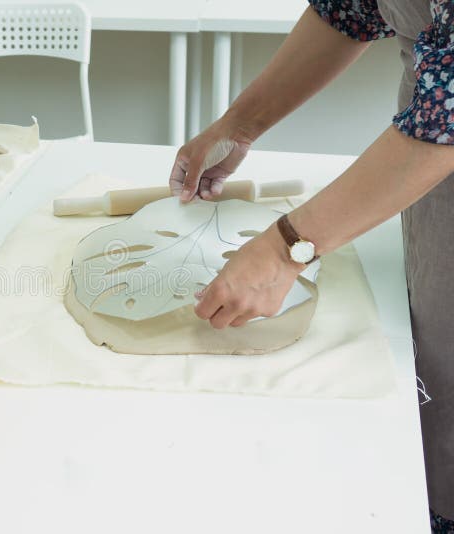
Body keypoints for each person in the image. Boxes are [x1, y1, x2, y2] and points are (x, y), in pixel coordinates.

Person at [170, 1, 454, 529]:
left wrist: (285, 249)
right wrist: (238, 125)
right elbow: (349, 9)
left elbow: (448, 116)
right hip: (424, 162)